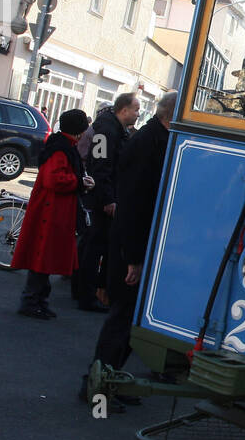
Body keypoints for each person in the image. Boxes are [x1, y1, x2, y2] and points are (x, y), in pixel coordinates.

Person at [80, 91, 175, 412]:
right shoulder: (146, 142)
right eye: (133, 108)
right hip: (128, 241)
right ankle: (98, 384)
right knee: (121, 317)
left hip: (128, 238)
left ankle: (109, 380)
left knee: (127, 319)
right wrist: (133, 257)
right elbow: (133, 202)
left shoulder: (148, 138)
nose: (136, 113)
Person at [10, 109, 92, 319]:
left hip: (53, 208)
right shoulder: (61, 149)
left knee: (43, 257)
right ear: (79, 132)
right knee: (42, 256)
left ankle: (38, 300)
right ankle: (31, 301)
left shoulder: (60, 145)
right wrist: (80, 182)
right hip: (51, 210)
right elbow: (54, 180)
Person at [75, 94, 139, 311]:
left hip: (104, 197)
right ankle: (86, 293)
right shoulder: (106, 131)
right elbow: (100, 168)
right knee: (94, 248)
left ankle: (86, 290)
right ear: (123, 110)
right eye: (136, 110)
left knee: (93, 246)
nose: (138, 114)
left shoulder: (115, 131)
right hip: (101, 200)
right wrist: (107, 199)